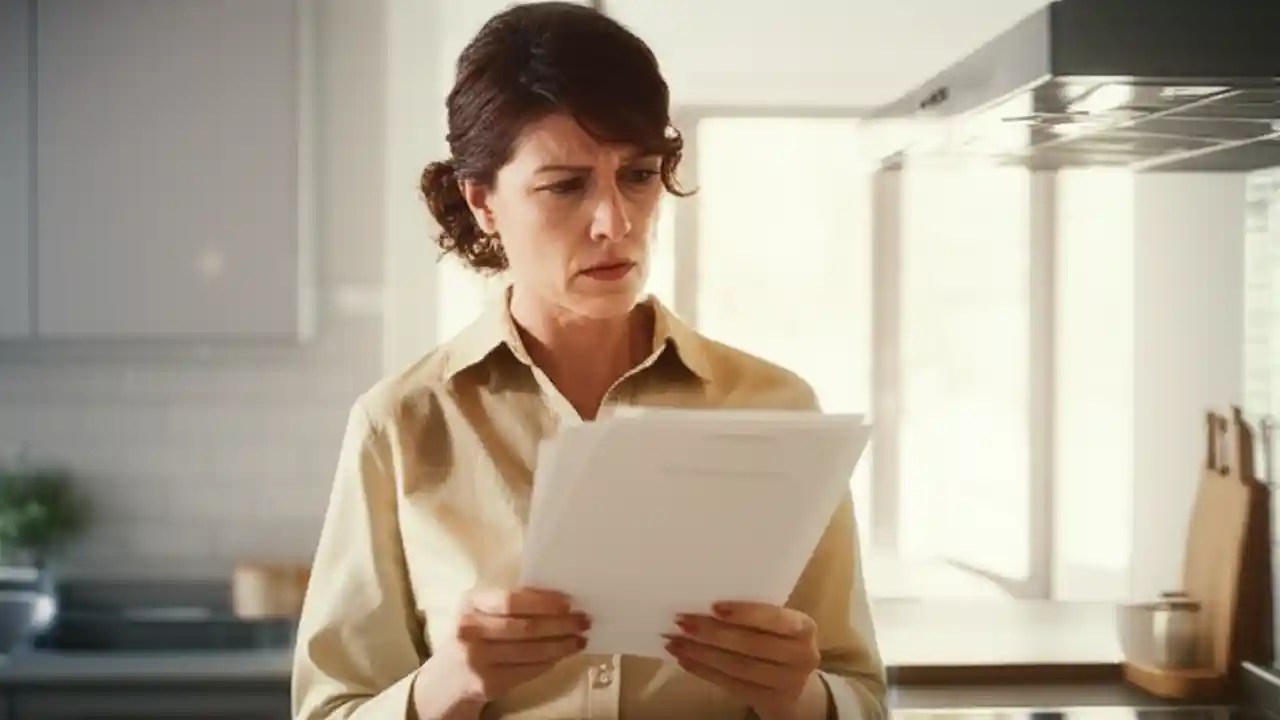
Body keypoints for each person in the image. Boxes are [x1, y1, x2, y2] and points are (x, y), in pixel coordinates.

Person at [290, 3, 885, 719]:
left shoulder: (777, 409)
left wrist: (806, 698)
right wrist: (447, 685)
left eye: (637, 175)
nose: (616, 222)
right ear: (482, 202)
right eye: (565, 186)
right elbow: (329, 710)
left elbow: (863, 699)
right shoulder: (400, 426)